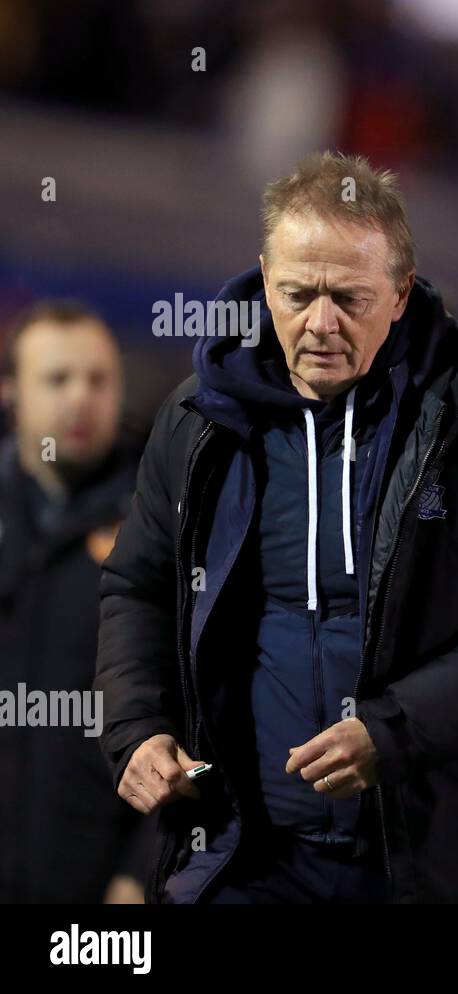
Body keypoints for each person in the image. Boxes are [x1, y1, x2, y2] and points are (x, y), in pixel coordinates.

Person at [94, 152, 458, 904]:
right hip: (245, 854)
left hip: (432, 863)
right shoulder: (197, 423)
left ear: (401, 294)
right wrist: (138, 726)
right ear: (266, 280)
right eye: (299, 294)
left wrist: (398, 732)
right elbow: (139, 587)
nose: (322, 323)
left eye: (350, 298)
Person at [0, 302, 154, 903]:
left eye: (98, 380)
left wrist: (142, 869)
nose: (80, 398)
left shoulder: (159, 519)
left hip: (98, 884)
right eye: (57, 379)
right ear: (12, 392)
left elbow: (199, 713)